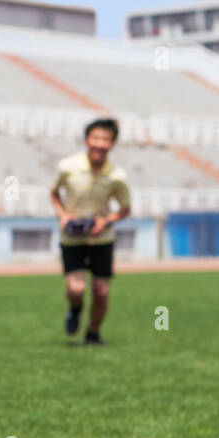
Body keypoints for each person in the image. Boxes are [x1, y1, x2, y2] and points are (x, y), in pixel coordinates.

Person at [50, 117, 131, 345]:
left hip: (101, 239)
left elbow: (125, 208)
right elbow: (54, 193)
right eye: (96, 137)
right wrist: (64, 215)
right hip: (72, 237)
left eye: (106, 139)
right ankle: (75, 309)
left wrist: (106, 220)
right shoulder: (67, 167)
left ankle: (93, 334)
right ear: (87, 139)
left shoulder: (116, 176)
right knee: (76, 290)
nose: (100, 143)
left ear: (112, 143)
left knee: (101, 291)